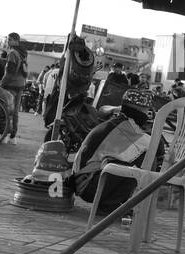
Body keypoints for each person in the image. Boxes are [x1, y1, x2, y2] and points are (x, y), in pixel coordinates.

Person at [65, 87, 164, 215]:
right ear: (139, 110)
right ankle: (109, 206)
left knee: (133, 160)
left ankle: (111, 203)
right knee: (142, 160)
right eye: (146, 110)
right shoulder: (126, 128)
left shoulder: (118, 123)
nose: (147, 114)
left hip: (84, 182)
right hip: (88, 185)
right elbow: (155, 146)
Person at [0, 32, 28, 142]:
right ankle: (13, 136)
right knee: (16, 111)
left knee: (7, 110)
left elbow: (10, 72)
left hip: (11, 85)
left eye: (9, 39)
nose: (7, 41)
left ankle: (5, 134)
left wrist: (1, 83)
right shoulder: (24, 53)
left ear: (14, 40)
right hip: (21, 84)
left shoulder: (12, 53)